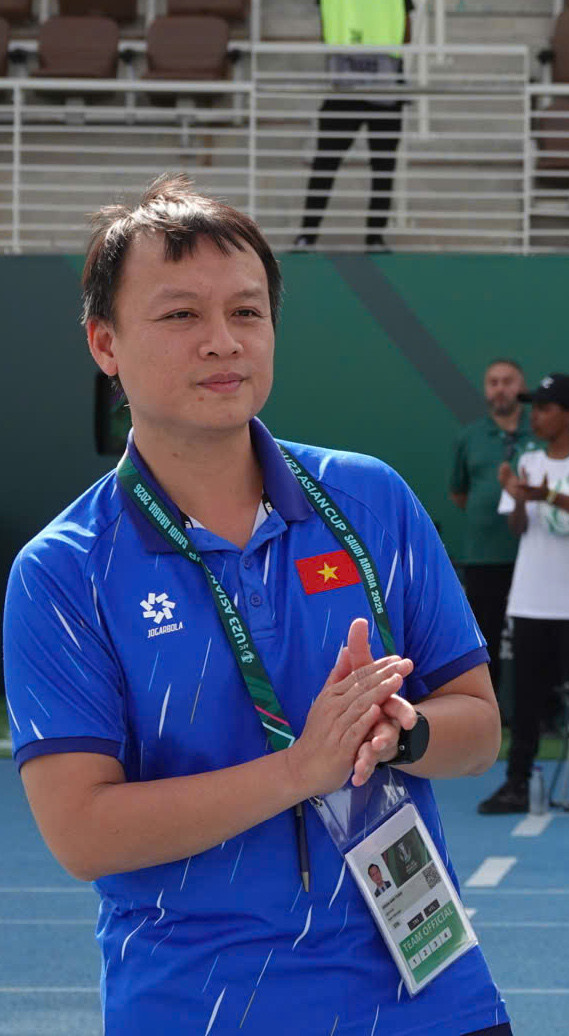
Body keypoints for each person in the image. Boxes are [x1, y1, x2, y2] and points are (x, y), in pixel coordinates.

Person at [5, 176, 509, 1033]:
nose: (223, 341)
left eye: (246, 312)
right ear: (104, 343)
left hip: (431, 998)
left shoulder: (371, 501)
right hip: (202, 1008)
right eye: (180, 315)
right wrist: (298, 770)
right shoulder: (63, 571)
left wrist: (404, 733)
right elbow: (82, 832)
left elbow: (480, 727)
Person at [476, 373, 569, 817]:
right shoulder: (527, 458)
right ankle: (516, 783)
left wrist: (549, 495)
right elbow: (517, 526)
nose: (534, 417)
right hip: (531, 600)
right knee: (526, 701)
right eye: (534, 408)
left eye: (544, 408)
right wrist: (520, 498)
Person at [294, 0, 413, 252]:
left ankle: (306, 237)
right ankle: (374, 239)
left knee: (326, 164)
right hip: (383, 86)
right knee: (381, 167)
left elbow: (325, 26)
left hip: (346, 84)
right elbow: (406, 33)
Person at [450, 358, 529, 710]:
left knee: (534, 638)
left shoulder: (539, 434)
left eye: (508, 381)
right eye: (493, 382)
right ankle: (488, 711)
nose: (500, 389)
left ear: (521, 386)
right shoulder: (469, 437)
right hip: (483, 554)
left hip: (532, 555)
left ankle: (541, 712)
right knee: (486, 636)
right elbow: (459, 492)